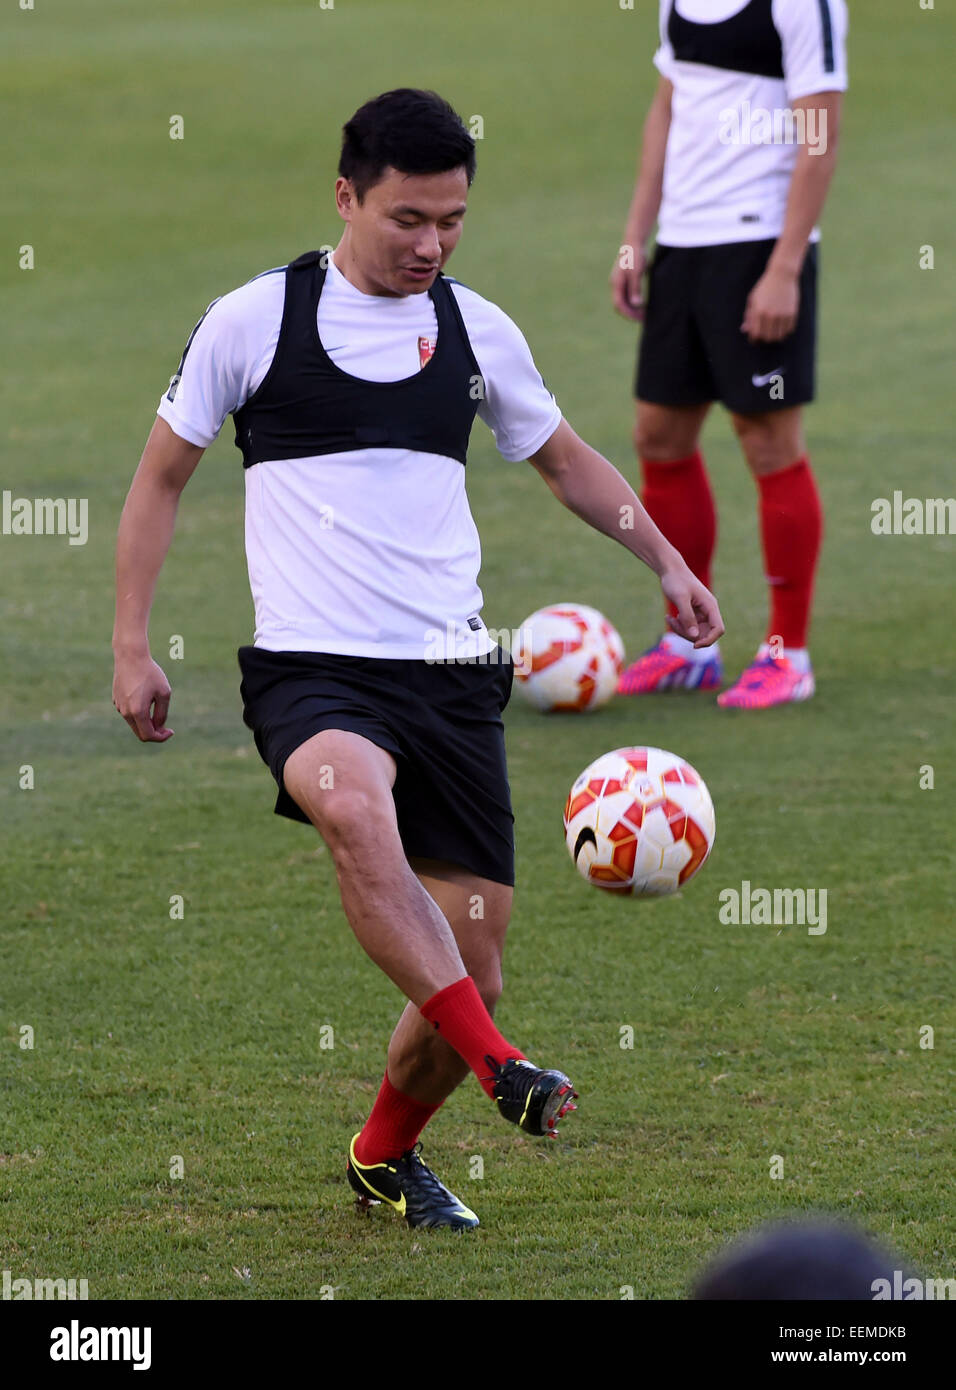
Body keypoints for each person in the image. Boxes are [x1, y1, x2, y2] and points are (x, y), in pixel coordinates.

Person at [112, 88, 723, 1231]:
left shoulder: (477, 328)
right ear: (345, 197)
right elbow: (159, 476)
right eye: (405, 219)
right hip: (310, 669)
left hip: (450, 676)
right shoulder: (255, 320)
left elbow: (565, 459)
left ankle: (382, 1154)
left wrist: (664, 559)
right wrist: (132, 643)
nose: (429, 244)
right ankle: (504, 1070)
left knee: (470, 973)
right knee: (353, 814)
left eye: (450, 220)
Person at [612, 0, 848, 708]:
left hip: (758, 244)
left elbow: (821, 131)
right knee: (659, 433)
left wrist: (783, 268)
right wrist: (637, 234)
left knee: (768, 441)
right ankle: (688, 646)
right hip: (684, 245)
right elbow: (666, 106)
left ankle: (788, 655)